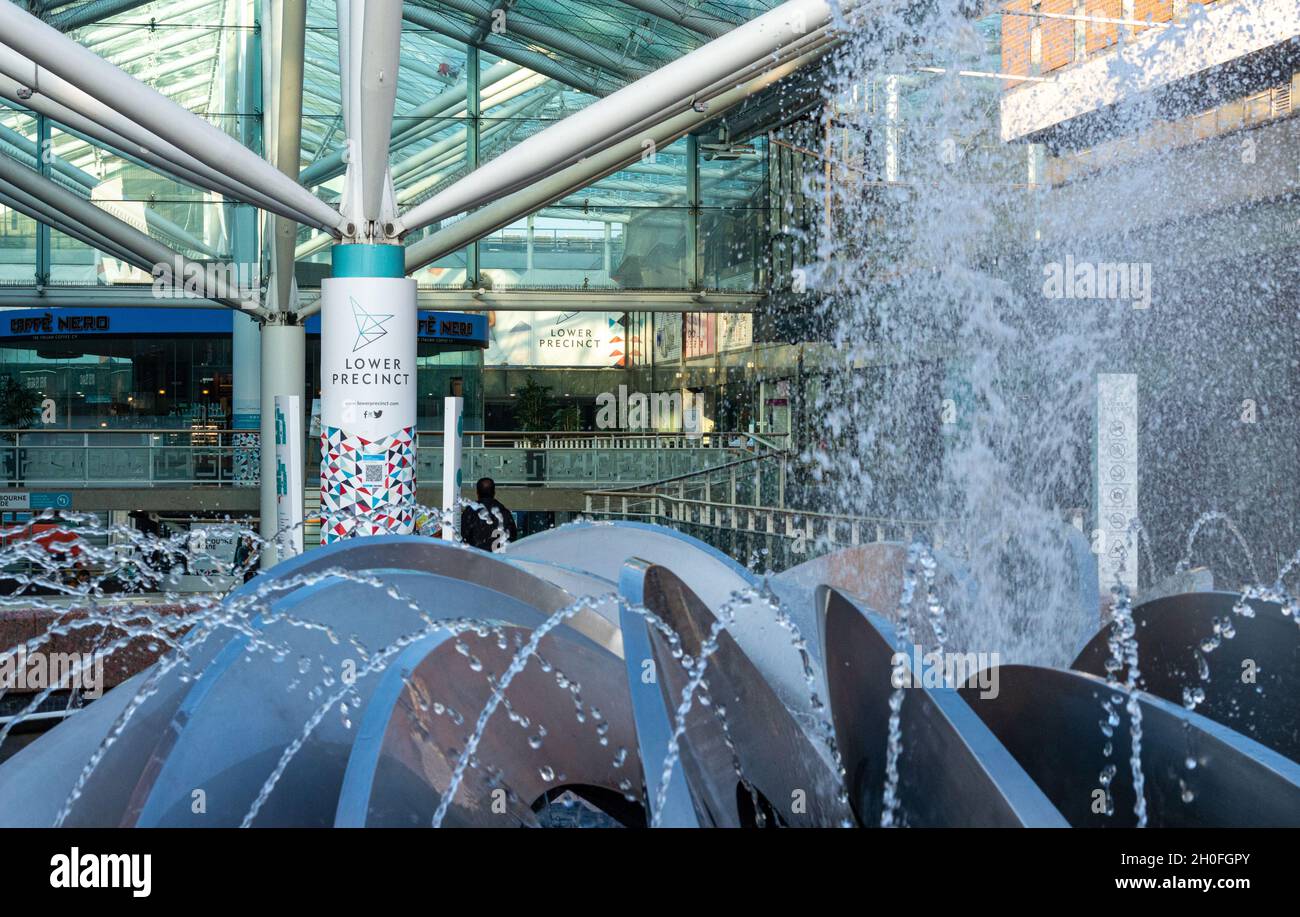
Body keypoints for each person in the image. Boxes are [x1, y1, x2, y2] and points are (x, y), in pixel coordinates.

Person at [459, 477, 517, 551]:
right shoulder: (503, 512)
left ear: (477, 493)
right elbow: (512, 537)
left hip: (475, 558)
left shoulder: (470, 512)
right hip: (498, 559)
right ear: (494, 492)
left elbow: (462, 536)